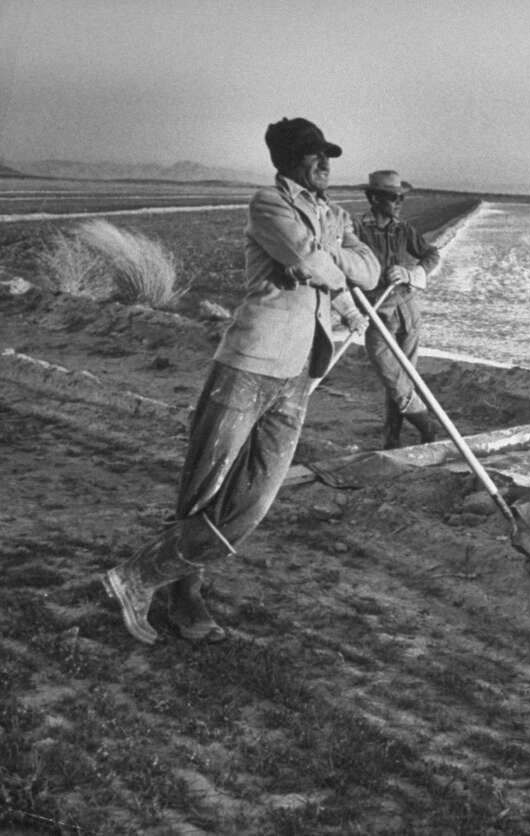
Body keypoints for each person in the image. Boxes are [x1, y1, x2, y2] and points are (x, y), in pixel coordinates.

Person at [102, 117, 380, 645]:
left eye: (328, 155)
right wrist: (319, 261)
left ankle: (138, 577)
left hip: (298, 373)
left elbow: (365, 268)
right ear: (289, 161)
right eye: (314, 156)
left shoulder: (333, 212)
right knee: (204, 488)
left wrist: (328, 264)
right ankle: (181, 597)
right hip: (249, 364)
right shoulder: (269, 204)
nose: (326, 164)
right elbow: (303, 257)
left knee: (252, 501)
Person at [352, 170, 442, 448]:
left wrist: (410, 272)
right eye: (393, 197)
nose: (399, 203)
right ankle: (429, 426)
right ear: (374, 197)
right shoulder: (355, 230)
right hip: (376, 315)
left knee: (406, 380)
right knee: (395, 381)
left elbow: (431, 254)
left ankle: (391, 440)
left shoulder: (403, 229)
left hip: (407, 312)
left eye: (401, 197)